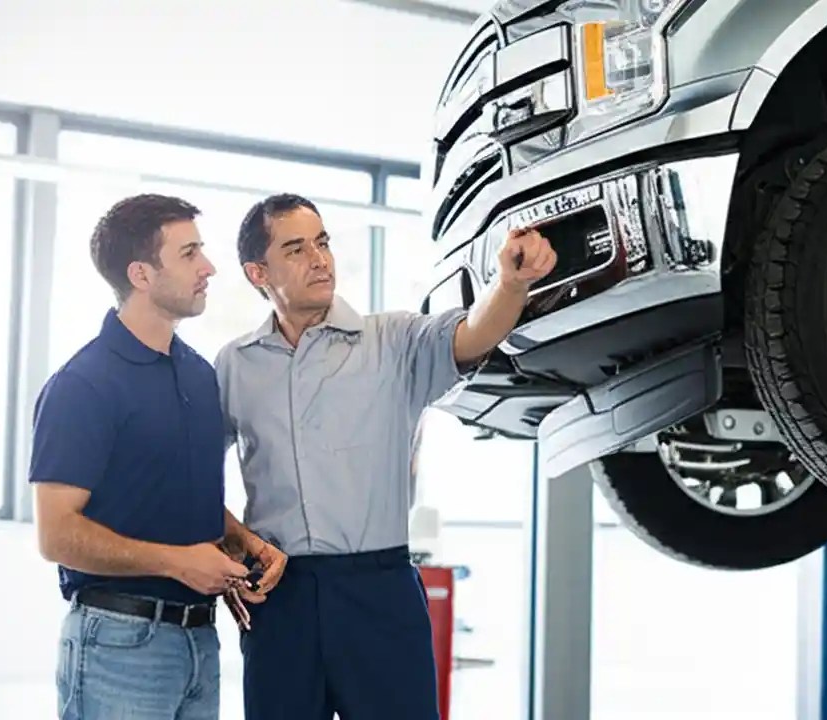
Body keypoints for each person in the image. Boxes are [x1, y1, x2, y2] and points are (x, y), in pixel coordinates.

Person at [215, 193, 556, 719]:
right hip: (280, 600)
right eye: (297, 248)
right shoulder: (234, 365)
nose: (321, 259)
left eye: (323, 242)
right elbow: (191, 473)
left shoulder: (393, 341)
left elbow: (473, 333)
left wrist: (509, 285)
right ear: (258, 272)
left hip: (379, 592)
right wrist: (233, 546)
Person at [29, 193, 286, 720]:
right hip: (119, 647)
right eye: (189, 254)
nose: (209, 267)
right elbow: (56, 535)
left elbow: (174, 497)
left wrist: (242, 543)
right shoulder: (82, 385)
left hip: (199, 641)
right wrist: (179, 563)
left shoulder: (197, 374)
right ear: (141, 275)